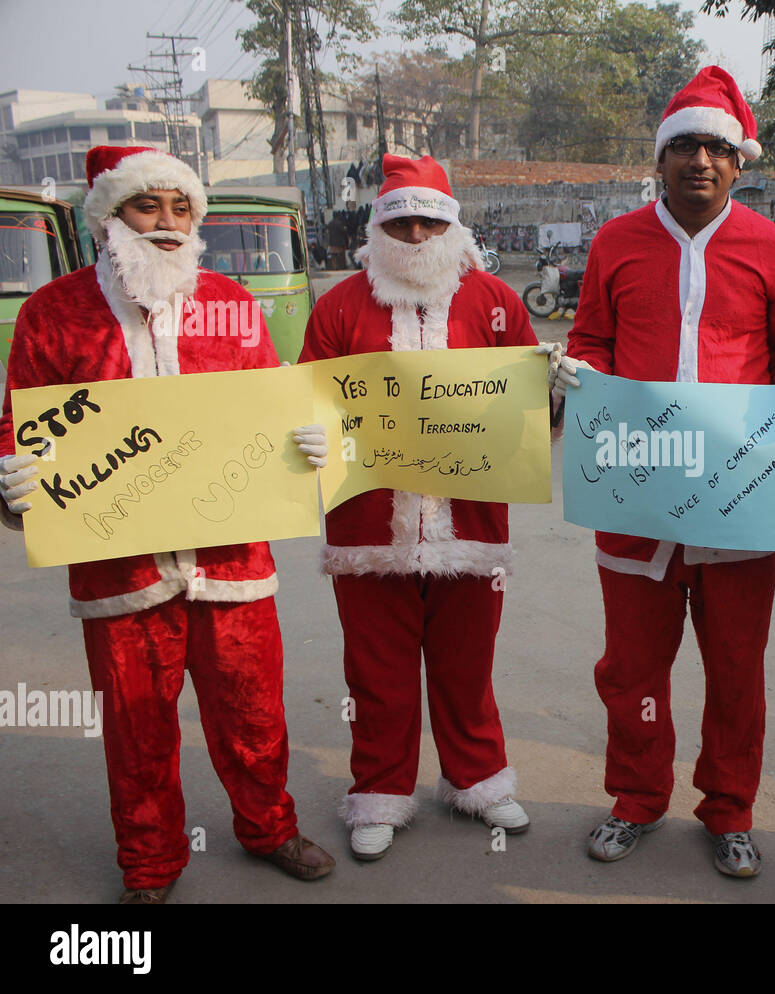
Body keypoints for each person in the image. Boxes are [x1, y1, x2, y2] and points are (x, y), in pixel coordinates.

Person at [0, 145, 334, 903]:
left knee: (254, 713)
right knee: (136, 726)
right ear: (108, 217)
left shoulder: (231, 301)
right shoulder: (53, 312)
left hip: (232, 561)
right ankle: (150, 864)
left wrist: (306, 440)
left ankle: (270, 827)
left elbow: (270, 401)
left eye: (181, 207)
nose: (166, 222)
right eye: (147, 205)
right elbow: (19, 425)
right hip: (119, 568)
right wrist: (13, 477)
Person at [553, 66, 775, 878]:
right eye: (684, 147)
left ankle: (730, 809)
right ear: (660, 159)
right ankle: (637, 798)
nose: (699, 160)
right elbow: (593, 339)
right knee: (631, 667)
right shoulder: (616, 243)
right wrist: (580, 374)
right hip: (635, 490)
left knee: (736, 668)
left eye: (715, 148)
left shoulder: (774, 249)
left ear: (739, 163)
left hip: (740, 497)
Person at [299, 154, 552, 860]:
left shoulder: (497, 300)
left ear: (452, 227)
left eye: (430, 222)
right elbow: (305, 398)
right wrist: (308, 429)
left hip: (471, 525)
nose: (415, 235)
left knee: (468, 665)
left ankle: (478, 778)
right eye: (401, 222)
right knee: (375, 673)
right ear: (378, 227)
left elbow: (527, 411)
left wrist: (550, 392)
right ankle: (379, 789)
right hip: (366, 527)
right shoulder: (338, 306)